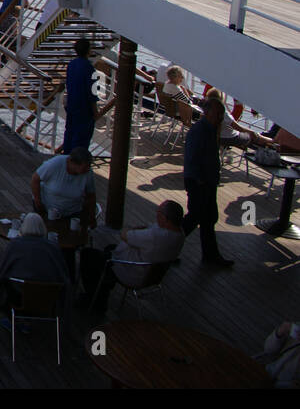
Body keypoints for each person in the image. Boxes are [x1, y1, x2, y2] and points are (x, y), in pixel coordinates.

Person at [79, 200, 185, 309]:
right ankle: (105, 287)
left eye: (159, 213)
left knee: (87, 255)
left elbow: (125, 235)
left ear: (165, 219)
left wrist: (131, 230)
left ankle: (94, 300)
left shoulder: (156, 237)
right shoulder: (180, 234)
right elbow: (146, 229)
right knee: (109, 248)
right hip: (152, 274)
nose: (156, 215)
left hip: (132, 271)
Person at [0, 212, 70, 319]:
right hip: (48, 298)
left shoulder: (15, 245)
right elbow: (63, 274)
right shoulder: (53, 247)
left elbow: (3, 271)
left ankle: (13, 320)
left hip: (19, 295)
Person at [183, 98, 233, 267]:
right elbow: (192, 157)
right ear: (207, 112)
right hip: (200, 182)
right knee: (195, 218)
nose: (220, 117)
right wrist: (200, 181)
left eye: (221, 114)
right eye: (218, 113)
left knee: (208, 218)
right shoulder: (200, 131)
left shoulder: (209, 129)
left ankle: (211, 255)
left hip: (207, 181)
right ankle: (165, 247)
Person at [31, 147, 97, 225]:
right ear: (72, 163)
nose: (88, 169)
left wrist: (92, 217)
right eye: (85, 166)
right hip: (47, 208)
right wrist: (38, 202)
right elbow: (35, 179)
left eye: (89, 166)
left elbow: (91, 196)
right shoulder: (55, 164)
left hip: (73, 212)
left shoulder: (88, 173)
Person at [62, 38, 100, 153]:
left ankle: (67, 156)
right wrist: (95, 112)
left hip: (72, 104)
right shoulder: (90, 69)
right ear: (88, 51)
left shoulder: (72, 64)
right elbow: (92, 93)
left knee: (69, 132)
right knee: (81, 138)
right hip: (84, 108)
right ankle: (77, 160)